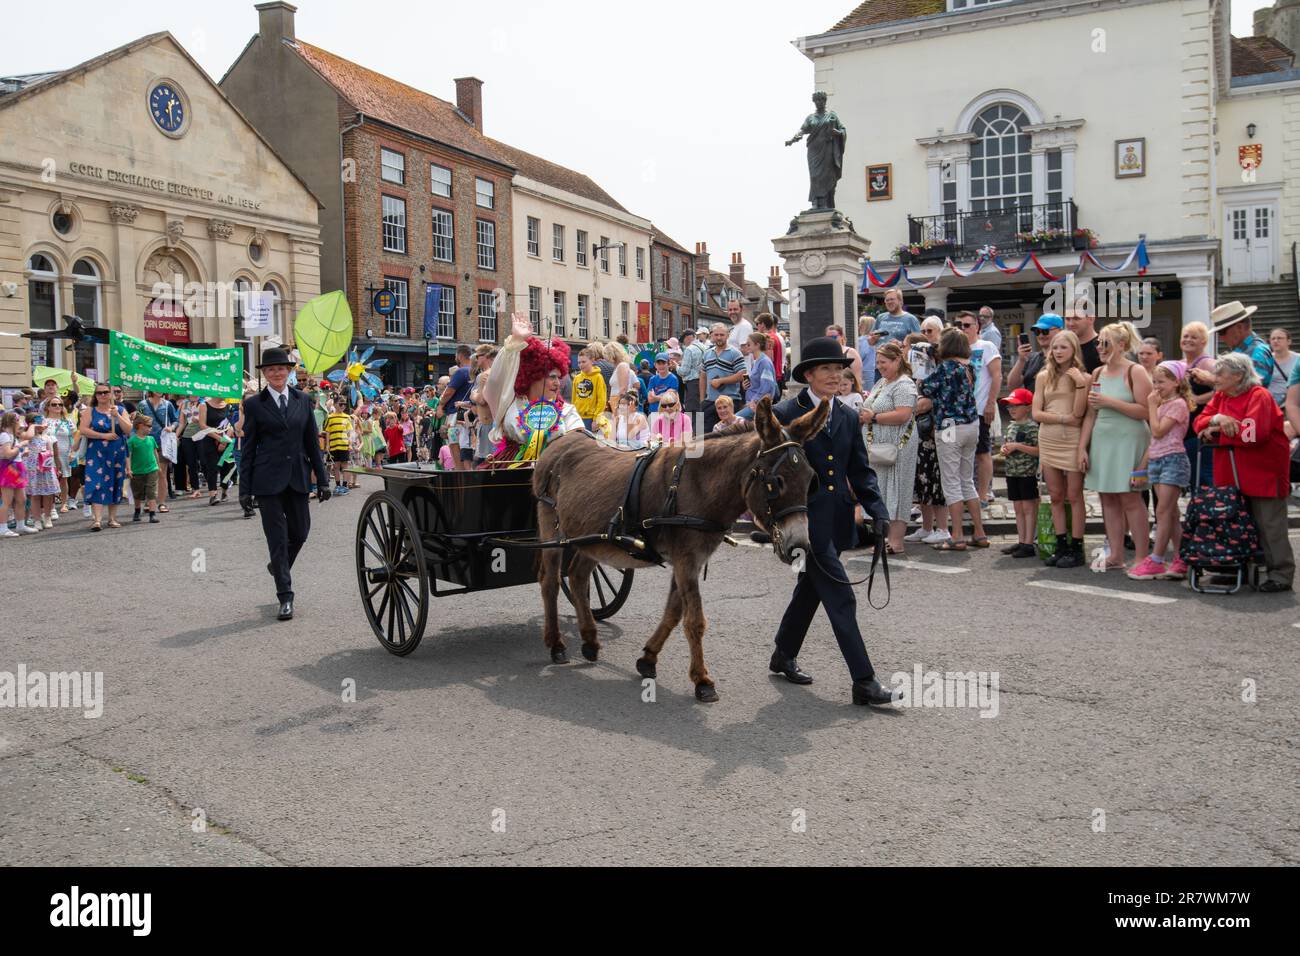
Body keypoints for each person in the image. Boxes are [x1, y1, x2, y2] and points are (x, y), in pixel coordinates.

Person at [768, 335, 896, 707]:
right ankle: (864, 681)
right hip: (802, 524)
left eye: (839, 369)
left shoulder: (846, 415)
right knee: (841, 596)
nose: (835, 375)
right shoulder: (786, 414)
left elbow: (860, 469)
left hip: (837, 517)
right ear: (808, 373)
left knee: (810, 589)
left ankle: (783, 652)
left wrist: (878, 509)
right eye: (826, 368)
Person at [238, 347, 331, 621]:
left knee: (300, 533)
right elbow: (249, 449)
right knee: (277, 539)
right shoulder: (255, 404)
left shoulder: (304, 400)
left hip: (298, 476)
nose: (276, 373)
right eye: (270, 370)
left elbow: (312, 444)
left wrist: (323, 480)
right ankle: (285, 596)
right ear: (264, 374)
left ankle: (278, 566)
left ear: (289, 371)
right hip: (267, 480)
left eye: (281, 368)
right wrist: (245, 489)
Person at [1195, 353, 1292, 592]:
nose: (1214, 378)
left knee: (1270, 526)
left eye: (1220, 374)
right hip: (1231, 472)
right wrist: (1218, 418)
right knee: (1234, 524)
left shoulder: (1260, 396)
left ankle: (1280, 575)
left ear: (1238, 376)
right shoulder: (1221, 396)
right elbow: (1198, 423)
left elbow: (1253, 434)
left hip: (1263, 472)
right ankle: (1235, 568)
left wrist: (1216, 431)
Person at [1079, 323, 1153, 573]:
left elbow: (1146, 411)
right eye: (1099, 343)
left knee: (1131, 498)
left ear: (1122, 345)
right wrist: (1083, 448)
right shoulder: (1098, 373)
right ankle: (1116, 554)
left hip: (1129, 439)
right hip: (1103, 440)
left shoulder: (1136, 371)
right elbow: (1090, 415)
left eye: (1106, 343)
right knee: (1107, 497)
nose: (1100, 348)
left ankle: (1142, 556)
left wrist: (1109, 402)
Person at [481, 313, 583, 466]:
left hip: (554, 470)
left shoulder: (566, 410)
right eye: (551, 377)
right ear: (533, 377)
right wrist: (515, 342)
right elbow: (495, 380)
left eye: (558, 378)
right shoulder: (511, 402)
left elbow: (578, 441)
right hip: (512, 471)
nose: (557, 384)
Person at [918, 328, 988, 550]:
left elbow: (925, 387)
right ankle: (979, 532)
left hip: (949, 427)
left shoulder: (945, 368)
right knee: (967, 480)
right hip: (971, 425)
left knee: (951, 482)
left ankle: (956, 535)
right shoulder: (968, 367)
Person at [1031, 330, 1090, 568]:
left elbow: (1079, 413)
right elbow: (1036, 413)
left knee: (1074, 495)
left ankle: (1076, 547)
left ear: (1074, 349)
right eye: (1055, 347)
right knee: (1055, 495)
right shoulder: (1043, 376)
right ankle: (1060, 544)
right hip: (1049, 438)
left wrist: (1079, 384)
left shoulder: (1082, 376)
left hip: (1073, 441)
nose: (1058, 352)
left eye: (1063, 347)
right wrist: (1063, 419)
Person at [1133, 361, 1194, 580]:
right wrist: (1142, 467)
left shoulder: (1177, 404)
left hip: (1173, 460)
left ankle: (1157, 559)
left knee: (1162, 512)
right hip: (1158, 460)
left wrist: (1151, 406)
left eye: (1161, 382)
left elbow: (1158, 431)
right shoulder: (1161, 404)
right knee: (1172, 514)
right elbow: (1154, 441)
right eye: (1154, 382)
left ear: (1176, 382)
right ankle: (1180, 559)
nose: (1156, 386)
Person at [861, 341, 918, 555]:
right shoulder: (883, 383)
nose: (879, 367)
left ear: (896, 361)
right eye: (877, 363)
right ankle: (887, 539)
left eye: (883, 362)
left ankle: (896, 542)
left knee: (898, 491)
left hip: (898, 447)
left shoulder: (904, 384)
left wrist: (873, 417)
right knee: (884, 490)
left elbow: (903, 414)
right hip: (881, 448)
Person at [903, 325, 949, 546]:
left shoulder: (936, 375)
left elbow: (926, 402)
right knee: (922, 480)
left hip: (932, 432)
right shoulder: (917, 376)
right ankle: (926, 526)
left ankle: (942, 528)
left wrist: (913, 406)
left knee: (935, 481)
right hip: (919, 433)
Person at [954, 311, 1002, 507]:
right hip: (958, 411)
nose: (963, 329)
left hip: (980, 408)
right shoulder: (954, 349)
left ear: (977, 327)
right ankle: (965, 495)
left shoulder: (986, 346)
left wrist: (991, 403)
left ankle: (982, 495)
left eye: (967, 325)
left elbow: (997, 376)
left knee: (982, 453)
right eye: (959, 325)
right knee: (959, 455)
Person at [79, 382, 132, 531]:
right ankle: (97, 519)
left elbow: (128, 429)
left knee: (116, 482)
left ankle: (112, 518)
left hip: (117, 452)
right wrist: (104, 435)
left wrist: (117, 416)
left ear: (111, 394)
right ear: (95, 396)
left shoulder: (120, 409)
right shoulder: (90, 411)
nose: (102, 395)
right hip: (97, 452)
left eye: (105, 392)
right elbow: (83, 429)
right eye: (99, 393)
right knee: (96, 482)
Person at [997, 388, 1040, 557]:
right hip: (1012, 472)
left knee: (1028, 508)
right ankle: (1021, 540)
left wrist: (1018, 447)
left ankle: (1029, 543)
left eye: (1016, 405)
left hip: (1027, 474)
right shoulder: (1011, 426)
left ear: (1028, 407)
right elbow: (1007, 444)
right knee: (1018, 508)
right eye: (1009, 407)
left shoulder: (1032, 427)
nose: (1012, 409)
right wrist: (1004, 448)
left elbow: (1039, 450)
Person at [1181, 320, 1217, 488]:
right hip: (1186, 430)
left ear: (1204, 341)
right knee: (1193, 477)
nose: (1188, 340)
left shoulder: (1208, 364)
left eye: (1194, 337)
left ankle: (1210, 511)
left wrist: (1196, 399)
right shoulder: (1181, 364)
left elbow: (1223, 390)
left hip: (1202, 430)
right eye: (1185, 336)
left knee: (1204, 478)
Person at [700, 322, 745, 433]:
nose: (719, 337)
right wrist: (702, 399)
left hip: (729, 401)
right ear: (711, 336)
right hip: (710, 401)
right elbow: (702, 376)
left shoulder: (735, 353)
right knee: (704, 435)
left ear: (727, 335)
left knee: (730, 437)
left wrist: (721, 381)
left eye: (722, 335)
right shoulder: (706, 354)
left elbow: (742, 374)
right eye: (716, 335)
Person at [435, 344, 474, 470]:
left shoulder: (461, 371)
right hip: (471, 413)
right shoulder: (476, 371)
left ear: (460, 356)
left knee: (455, 446)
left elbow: (449, 392)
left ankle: (459, 474)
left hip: (456, 415)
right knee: (468, 447)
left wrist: (440, 405)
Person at [1007, 313, 1062, 395]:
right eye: (1037, 332)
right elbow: (1012, 387)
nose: (1041, 335)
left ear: (1060, 331)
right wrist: (1021, 360)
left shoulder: (1065, 358)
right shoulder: (1031, 358)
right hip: (1032, 406)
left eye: (1045, 331)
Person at [0, 411, 34, 538]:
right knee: (6, 500)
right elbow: (8, 454)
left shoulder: (10, 435)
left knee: (22, 499)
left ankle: (21, 525)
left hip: (15, 467)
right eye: (19, 422)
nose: (22, 425)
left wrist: (20, 452)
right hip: (9, 468)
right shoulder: (5, 436)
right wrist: (21, 445)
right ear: (13, 422)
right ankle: (2, 528)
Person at [23, 415, 60, 529]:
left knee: (48, 494)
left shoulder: (47, 437)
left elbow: (51, 453)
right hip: (32, 468)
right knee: (35, 495)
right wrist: (34, 426)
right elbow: (28, 436)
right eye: (36, 422)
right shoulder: (26, 436)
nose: (40, 425)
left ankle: (47, 516)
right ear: (29, 424)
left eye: (41, 422)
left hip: (45, 468)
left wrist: (53, 463)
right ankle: (37, 520)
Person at [42, 396, 75, 517]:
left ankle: (64, 503)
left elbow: (72, 437)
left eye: (60, 405)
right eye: (54, 404)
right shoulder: (43, 421)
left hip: (64, 452)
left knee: (64, 478)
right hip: (48, 454)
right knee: (50, 479)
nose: (57, 407)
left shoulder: (67, 421)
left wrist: (72, 452)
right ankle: (51, 506)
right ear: (48, 407)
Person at [125, 413, 161, 524]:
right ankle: (137, 511)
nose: (151, 428)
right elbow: (128, 456)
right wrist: (129, 469)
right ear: (140, 425)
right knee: (137, 493)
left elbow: (155, 453)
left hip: (152, 469)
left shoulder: (151, 439)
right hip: (137, 471)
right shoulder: (132, 441)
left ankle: (152, 513)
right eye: (149, 426)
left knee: (152, 492)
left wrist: (158, 466)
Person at [196, 395, 230, 506]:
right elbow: (202, 425)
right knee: (212, 467)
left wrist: (224, 441)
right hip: (209, 439)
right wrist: (218, 438)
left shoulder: (228, 405)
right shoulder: (204, 405)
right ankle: (213, 495)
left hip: (226, 439)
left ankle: (224, 491)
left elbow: (231, 425)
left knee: (226, 467)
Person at [739, 332, 779, 418]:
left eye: (749, 344)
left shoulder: (764, 361)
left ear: (757, 345)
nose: (746, 346)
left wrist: (754, 400)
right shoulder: (757, 361)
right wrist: (746, 385)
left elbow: (768, 386)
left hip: (757, 406)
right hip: (753, 404)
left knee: (733, 423)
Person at [572, 348, 608, 429]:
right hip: (578, 417)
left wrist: (596, 419)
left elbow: (601, 400)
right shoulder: (576, 378)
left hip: (591, 419)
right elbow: (574, 399)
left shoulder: (598, 377)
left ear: (592, 361)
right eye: (579, 362)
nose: (581, 364)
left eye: (584, 362)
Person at [325, 398, 352, 495]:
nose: (343, 406)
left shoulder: (347, 417)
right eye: (341, 404)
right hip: (333, 445)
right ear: (335, 404)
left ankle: (345, 486)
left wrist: (350, 444)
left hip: (344, 445)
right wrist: (327, 445)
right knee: (336, 466)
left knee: (345, 465)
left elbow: (349, 433)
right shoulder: (330, 417)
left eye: (344, 404)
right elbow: (328, 431)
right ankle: (337, 485)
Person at [676, 329, 705, 414]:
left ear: (688, 338)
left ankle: (693, 427)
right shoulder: (703, 347)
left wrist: (676, 367)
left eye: (683, 340)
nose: (684, 344)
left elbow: (684, 371)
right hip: (703, 381)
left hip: (693, 382)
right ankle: (699, 427)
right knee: (700, 408)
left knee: (691, 410)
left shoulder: (689, 349)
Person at [1268, 328, 1298, 408]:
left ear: (1289, 341)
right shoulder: (1265, 359)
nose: (1275, 341)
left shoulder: (1298, 359)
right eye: (1273, 338)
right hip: (1272, 405)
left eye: (1279, 338)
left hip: (1293, 403)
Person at [756, 314, 786, 392]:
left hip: (770, 379)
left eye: (757, 324)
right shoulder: (776, 337)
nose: (757, 327)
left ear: (762, 324)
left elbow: (768, 360)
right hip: (777, 376)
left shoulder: (767, 338)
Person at [725, 299, 753, 365]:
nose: (732, 312)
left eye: (735, 309)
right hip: (736, 370)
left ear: (741, 309)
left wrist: (723, 356)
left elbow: (745, 350)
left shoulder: (744, 326)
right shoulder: (735, 326)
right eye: (730, 310)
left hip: (742, 372)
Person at [856, 315, 877, 391]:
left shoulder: (860, 341)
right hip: (875, 373)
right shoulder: (877, 341)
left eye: (860, 323)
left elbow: (859, 356)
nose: (858, 326)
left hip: (864, 375)